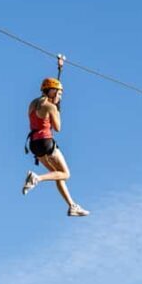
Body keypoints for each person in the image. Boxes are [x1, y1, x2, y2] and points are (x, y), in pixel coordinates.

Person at [22, 76, 89, 217]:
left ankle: (72, 206)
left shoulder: (33, 103)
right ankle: (36, 178)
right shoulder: (51, 107)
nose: (59, 96)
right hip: (46, 143)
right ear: (51, 91)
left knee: (56, 175)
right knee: (66, 174)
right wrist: (57, 109)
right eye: (58, 93)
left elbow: (38, 118)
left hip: (34, 144)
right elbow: (58, 128)